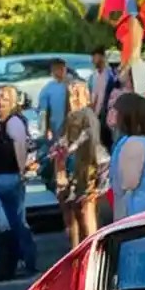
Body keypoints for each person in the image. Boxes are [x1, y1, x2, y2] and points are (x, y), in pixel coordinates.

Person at [0, 85, 38, 275]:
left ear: (12, 103)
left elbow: (20, 148)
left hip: (11, 177)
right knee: (2, 223)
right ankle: (11, 261)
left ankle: (28, 261)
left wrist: (21, 172)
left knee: (17, 221)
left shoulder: (14, 122)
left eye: (4, 99)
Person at [55, 81, 103, 248]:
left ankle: (92, 248)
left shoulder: (88, 115)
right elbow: (64, 139)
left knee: (86, 211)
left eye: (77, 94)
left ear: (86, 97)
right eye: (70, 95)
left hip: (87, 168)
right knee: (73, 213)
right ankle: (76, 251)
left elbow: (92, 140)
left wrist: (72, 147)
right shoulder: (70, 117)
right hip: (71, 170)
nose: (73, 99)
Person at [87, 46, 119, 153]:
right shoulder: (94, 77)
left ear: (102, 57)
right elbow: (93, 95)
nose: (93, 61)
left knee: (108, 143)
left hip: (107, 114)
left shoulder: (111, 75)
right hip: (96, 115)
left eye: (95, 57)